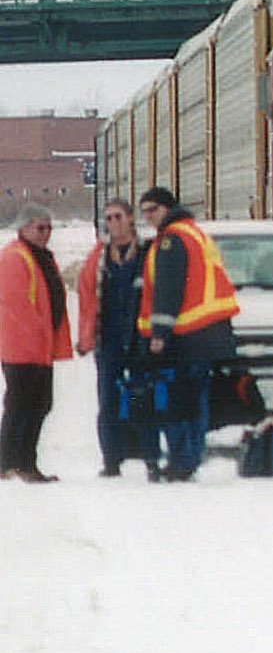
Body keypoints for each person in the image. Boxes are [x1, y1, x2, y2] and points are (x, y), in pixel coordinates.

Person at [136, 187, 240, 482]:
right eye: (144, 212)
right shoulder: (195, 233)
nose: (148, 217)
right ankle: (190, 458)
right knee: (195, 400)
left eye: (153, 210)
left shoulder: (171, 240)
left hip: (188, 334)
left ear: (168, 208)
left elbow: (168, 289)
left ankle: (182, 461)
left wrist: (159, 333)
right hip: (208, 332)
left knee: (178, 401)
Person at [0, 206, 75, 483]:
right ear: (23, 228)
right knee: (22, 405)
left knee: (39, 404)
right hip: (23, 349)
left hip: (39, 348)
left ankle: (24, 463)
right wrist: (36, 341)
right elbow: (18, 307)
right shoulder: (15, 257)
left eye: (48, 228)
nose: (45, 233)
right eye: (39, 228)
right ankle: (10, 462)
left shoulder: (40, 257)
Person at [76, 199, 150, 477]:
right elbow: (87, 297)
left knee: (143, 396)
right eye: (108, 218)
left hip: (139, 336)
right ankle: (111, 460)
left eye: (118, 216)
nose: (113, 223)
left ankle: (149, 457)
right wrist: (86, 337)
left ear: (131, 218)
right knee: (108, 400)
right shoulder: (99, 257)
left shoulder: (147, 252)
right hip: (109, 338)